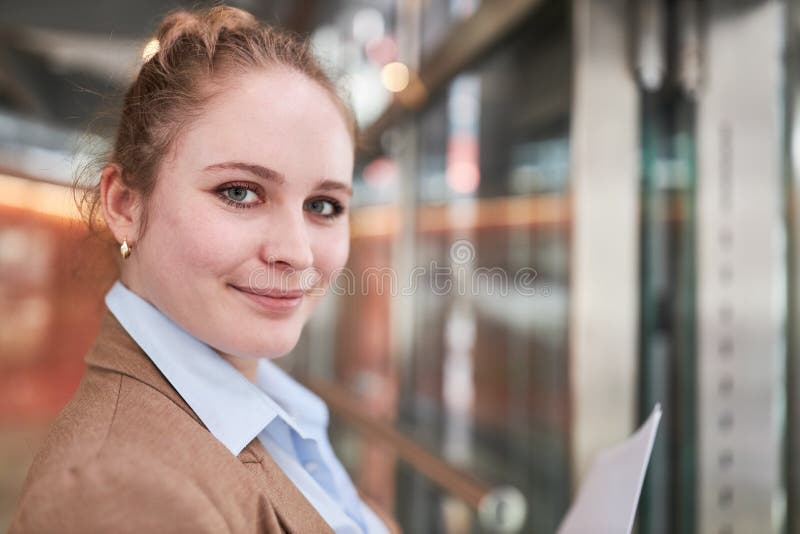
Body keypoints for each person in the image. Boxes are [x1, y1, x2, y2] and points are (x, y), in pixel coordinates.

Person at [9, 5, 399, 534]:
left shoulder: (269, 413)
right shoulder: (116, 496)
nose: (299, 253)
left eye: (324, 206)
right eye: (239, 192)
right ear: (125, 205)